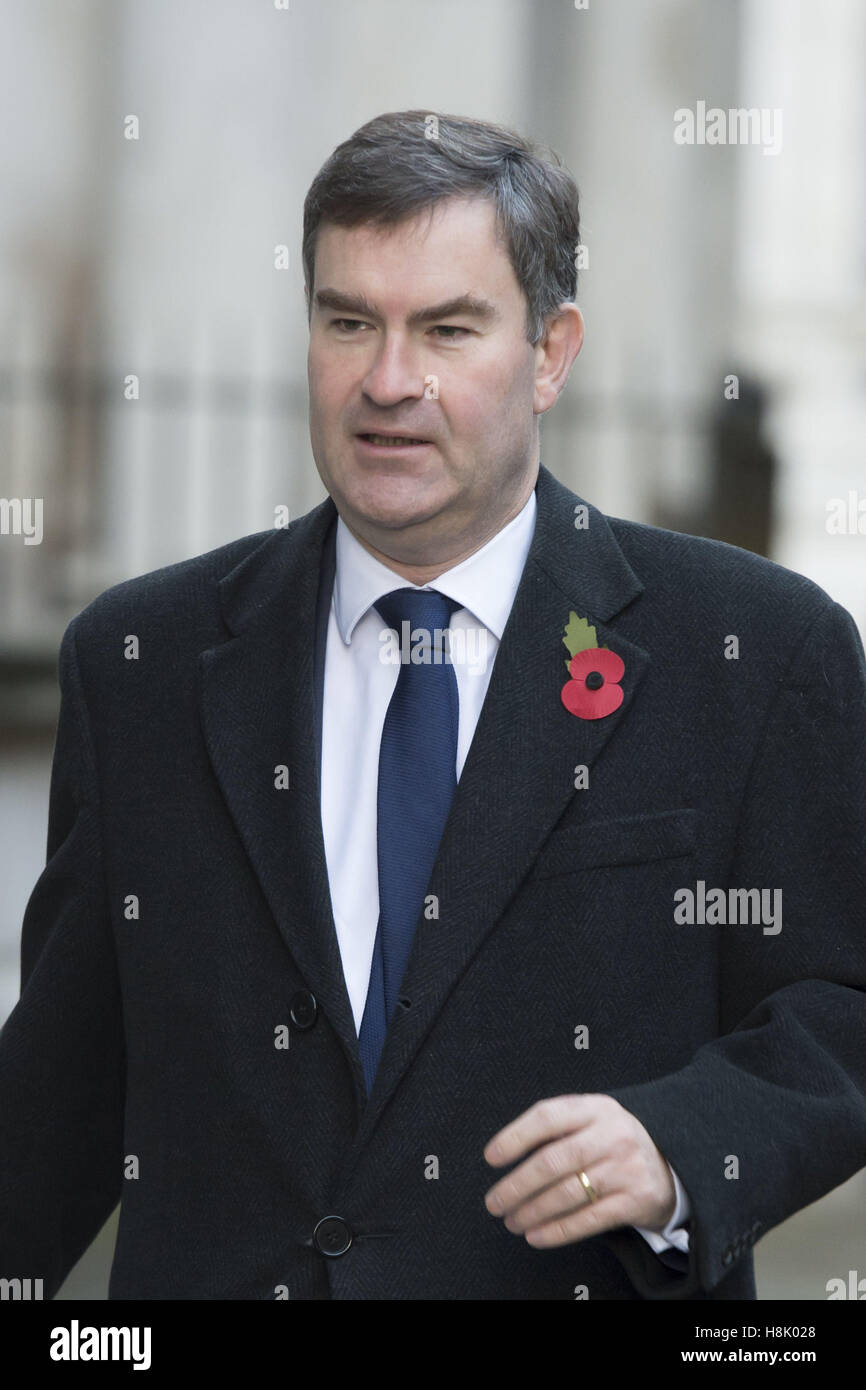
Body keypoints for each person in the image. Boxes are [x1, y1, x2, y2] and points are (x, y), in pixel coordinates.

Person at [1, 110, 864, 1301]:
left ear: (551, 353)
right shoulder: (141, 661)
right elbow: (60, 1100)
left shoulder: (754, 654)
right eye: (347, 321)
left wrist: (681, 1142)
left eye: (446, 330)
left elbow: (837, 1007)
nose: (387, 381)